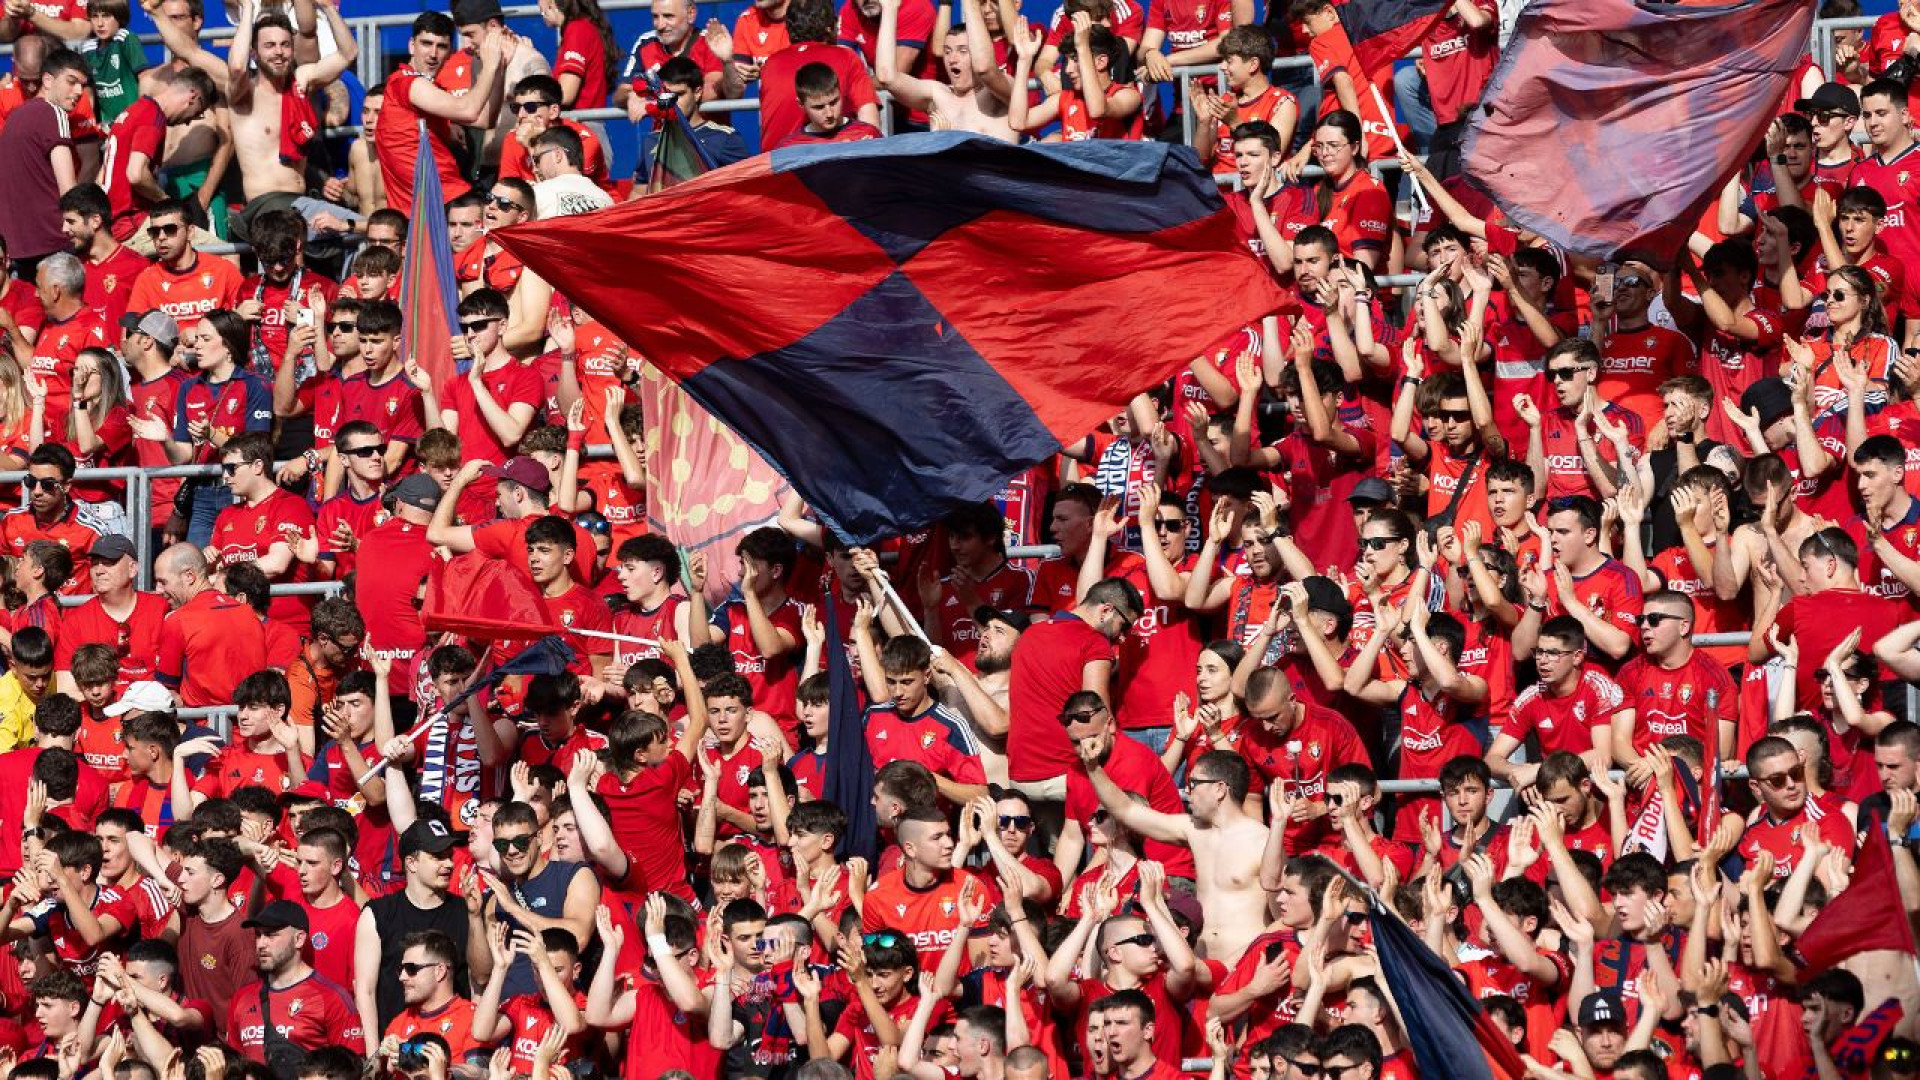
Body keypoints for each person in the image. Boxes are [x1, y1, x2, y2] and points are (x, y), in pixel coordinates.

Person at [139, 0, 355, 234]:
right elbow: (197, 54)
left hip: (299, 203)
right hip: (266, 209)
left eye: (285, 45)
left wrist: (329, 8)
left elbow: (348, 53)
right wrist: (247, 9)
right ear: (254, 52)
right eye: (270, 45)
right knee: (355, 228)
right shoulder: (242, 93)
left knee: (360, 227)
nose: (279, 52)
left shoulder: (301, 81)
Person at [375, 11, 509, 216]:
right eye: (426, 43)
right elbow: (470, 111)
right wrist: (489, 65)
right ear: (412, 45)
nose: (433, 54)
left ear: (450, 52)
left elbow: (485, 120)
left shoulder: (434, 91)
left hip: (446, 201)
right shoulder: (404, 81)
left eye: (442, 46)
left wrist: (499, 67)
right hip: (440, 205)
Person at [228, 899, 364, 1066]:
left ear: (299, 939)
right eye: (258, 935)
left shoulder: (332, 999)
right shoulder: (242, 998)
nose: (261, 944)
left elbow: (353, 1071)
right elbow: (234, 1068)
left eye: (271, 934)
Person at [0, 47, 90, 276]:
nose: (79, 91)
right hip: (53, 245)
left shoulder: (15, 117)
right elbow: (69, 192)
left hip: (16, 248)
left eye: (82, 84)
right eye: (71, 82)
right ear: (48, 80)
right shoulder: (54, 113)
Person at [152, 542, 267, 708]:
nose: (158, 590)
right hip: (250, 726)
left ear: (189, 576)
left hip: (202, 727)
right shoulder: (248, 613)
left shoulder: (179, 620)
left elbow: (166, 690)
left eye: (163, 582)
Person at [758, 0, 879, 149]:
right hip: (820, 163)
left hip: (773, 163)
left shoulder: (770, 64)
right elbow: (870, 124)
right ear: (830, 27)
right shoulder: (846, 56)